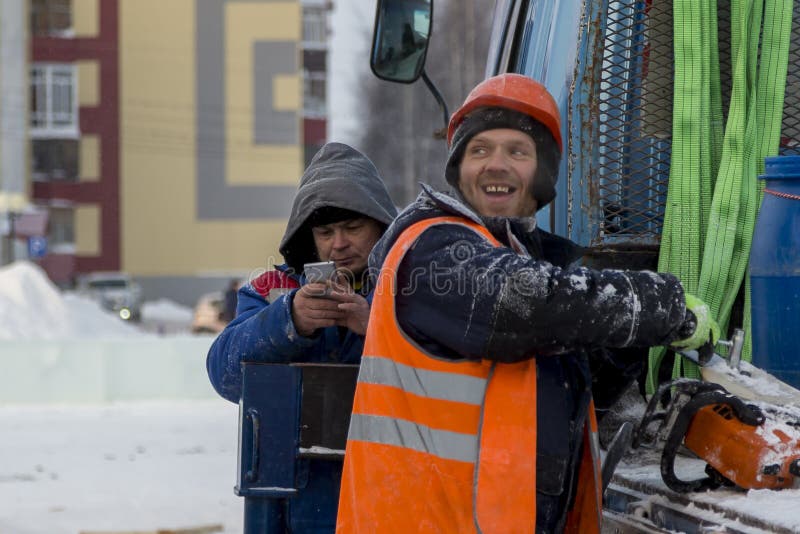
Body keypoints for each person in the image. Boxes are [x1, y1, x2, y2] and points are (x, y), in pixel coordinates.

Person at [336, 74, 719, 533]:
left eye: (518, 152)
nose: (497, 165)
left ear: (542, 177)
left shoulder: (525, 263)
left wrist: (620, 346)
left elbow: (569, 393)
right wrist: (660, 305)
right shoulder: (431, 248)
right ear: (457, 171)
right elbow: (525, 304)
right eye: (480, 150)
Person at [206, 142, 396, 532]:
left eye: (353, 228)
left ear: (381, 224)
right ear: (308, 236)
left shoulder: (411, 285)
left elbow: (451, 367)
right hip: (292, 506)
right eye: (325, 231)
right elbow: (223, 374)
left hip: (390, 492)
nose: (338, 243)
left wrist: (377, 323)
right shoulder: (272, 290)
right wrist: (288, 320)